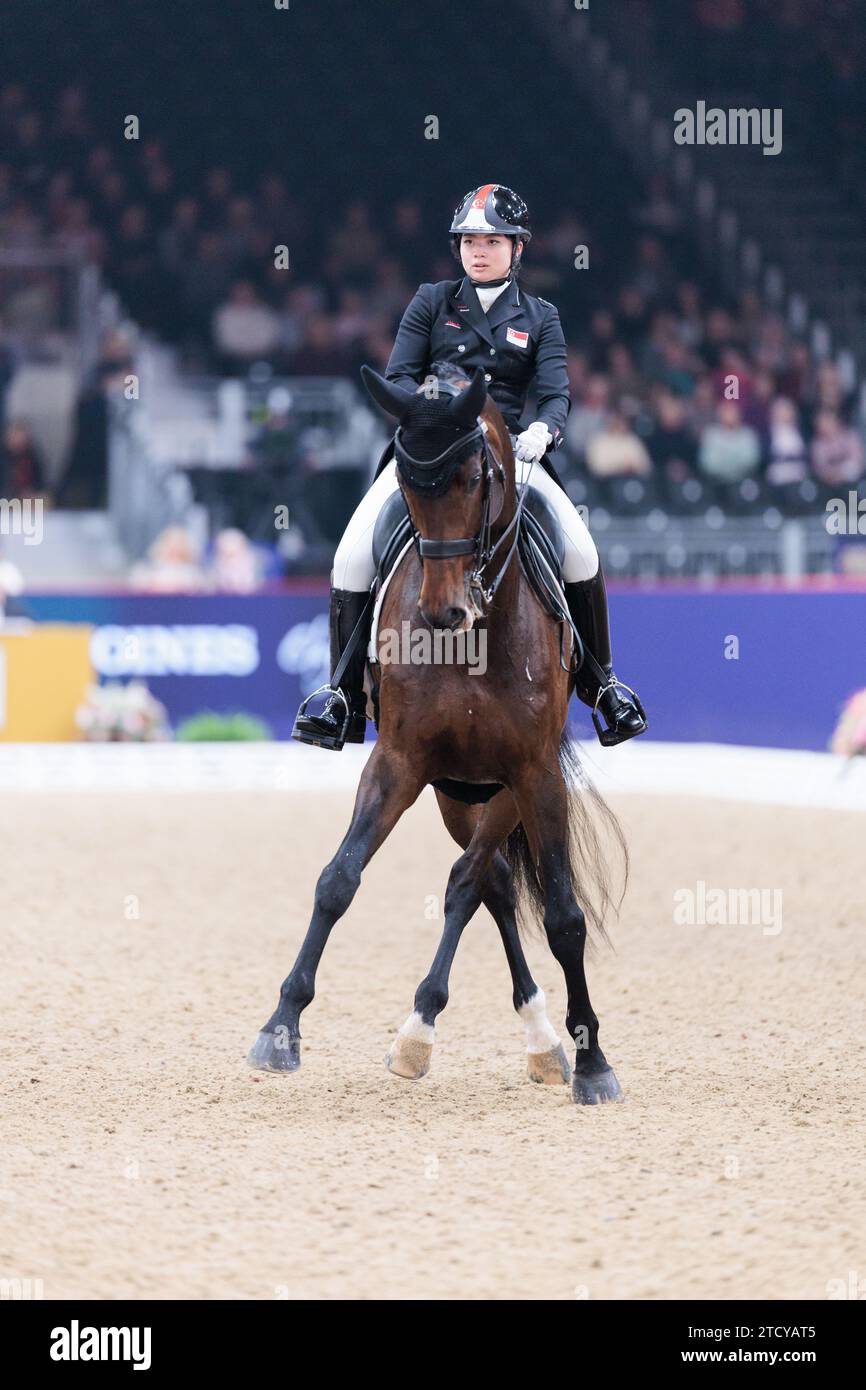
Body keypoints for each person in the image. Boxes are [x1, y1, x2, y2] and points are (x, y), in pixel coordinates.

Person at [293, 184, 648, 750]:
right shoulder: (432, 301)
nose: (477, 251)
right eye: (468, 241)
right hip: (433, 453)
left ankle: (603, 684)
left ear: (517, 248)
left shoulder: (540, 317)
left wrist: (542, 430)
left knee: (581, 549)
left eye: (490, 241)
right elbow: (400, 377)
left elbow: (556, 394)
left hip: (508, 457)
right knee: (350, 556)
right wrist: (429, 414)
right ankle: (340, 697)